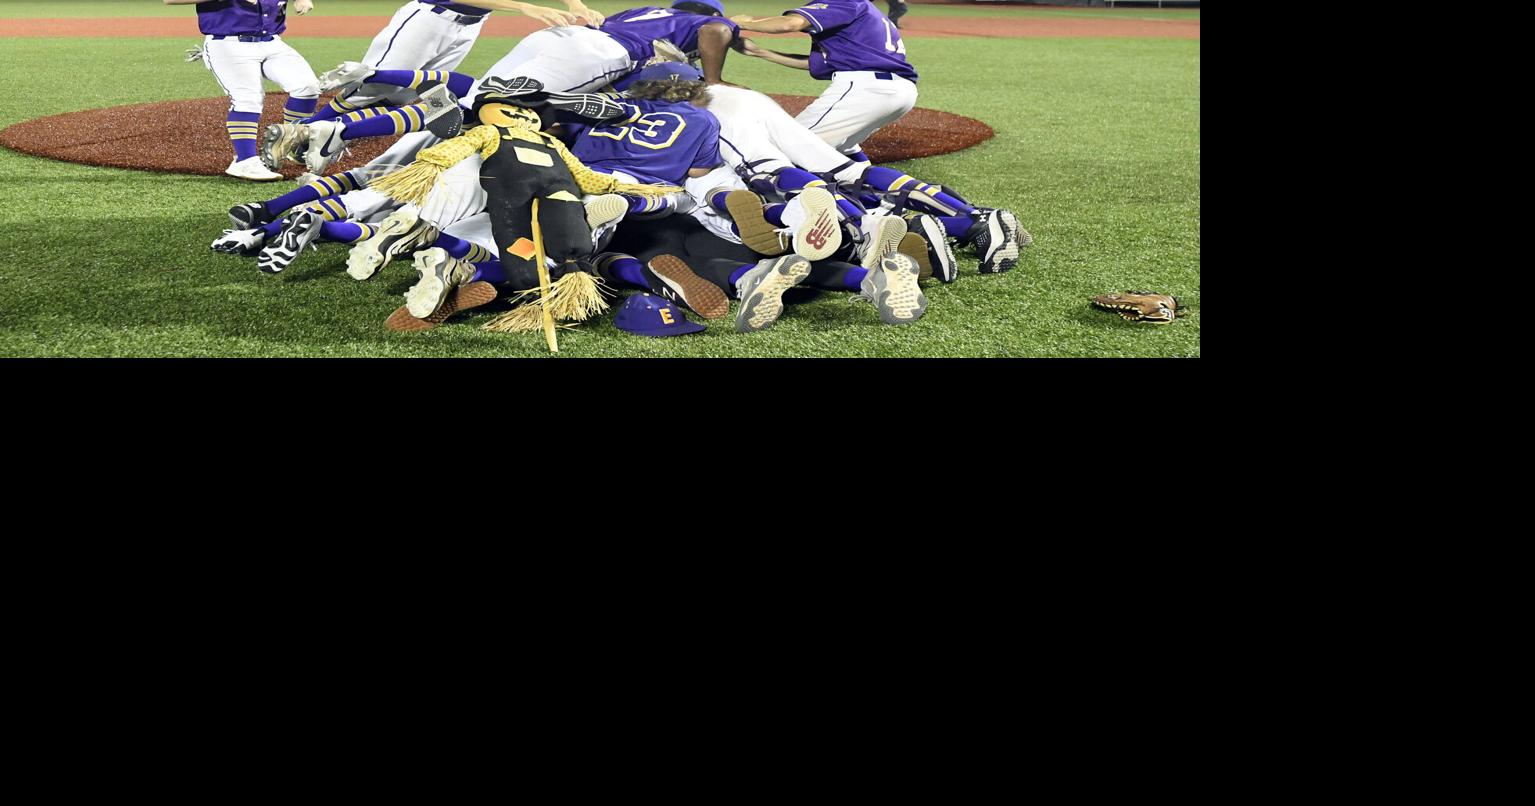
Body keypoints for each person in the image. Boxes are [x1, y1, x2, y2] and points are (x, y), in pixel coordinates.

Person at [167, 0, 320, 180]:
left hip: (272, 41)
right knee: (247, 98)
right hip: (227, 42)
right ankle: (244, 161)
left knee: (307, 86)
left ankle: (293, 144)